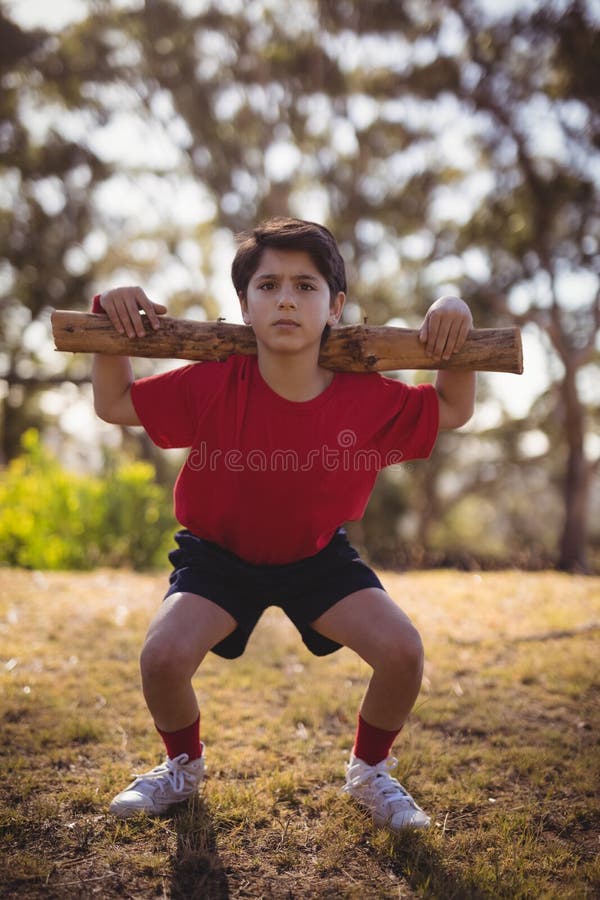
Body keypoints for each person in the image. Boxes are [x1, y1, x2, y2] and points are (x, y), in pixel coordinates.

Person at [91, 217, 475, 830]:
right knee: (162, 659)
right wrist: (112, 320)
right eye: (268, 286)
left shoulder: (366, 395)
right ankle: (182, 768)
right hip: (217, 558)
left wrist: (454, 315)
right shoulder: (215, 379)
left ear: (336, 305)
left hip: (316, 559)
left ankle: (371, 771)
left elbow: (452, 407)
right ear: (244, 307)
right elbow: (114, 403)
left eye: (306, 285)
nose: (287, 299)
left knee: (402, 652)